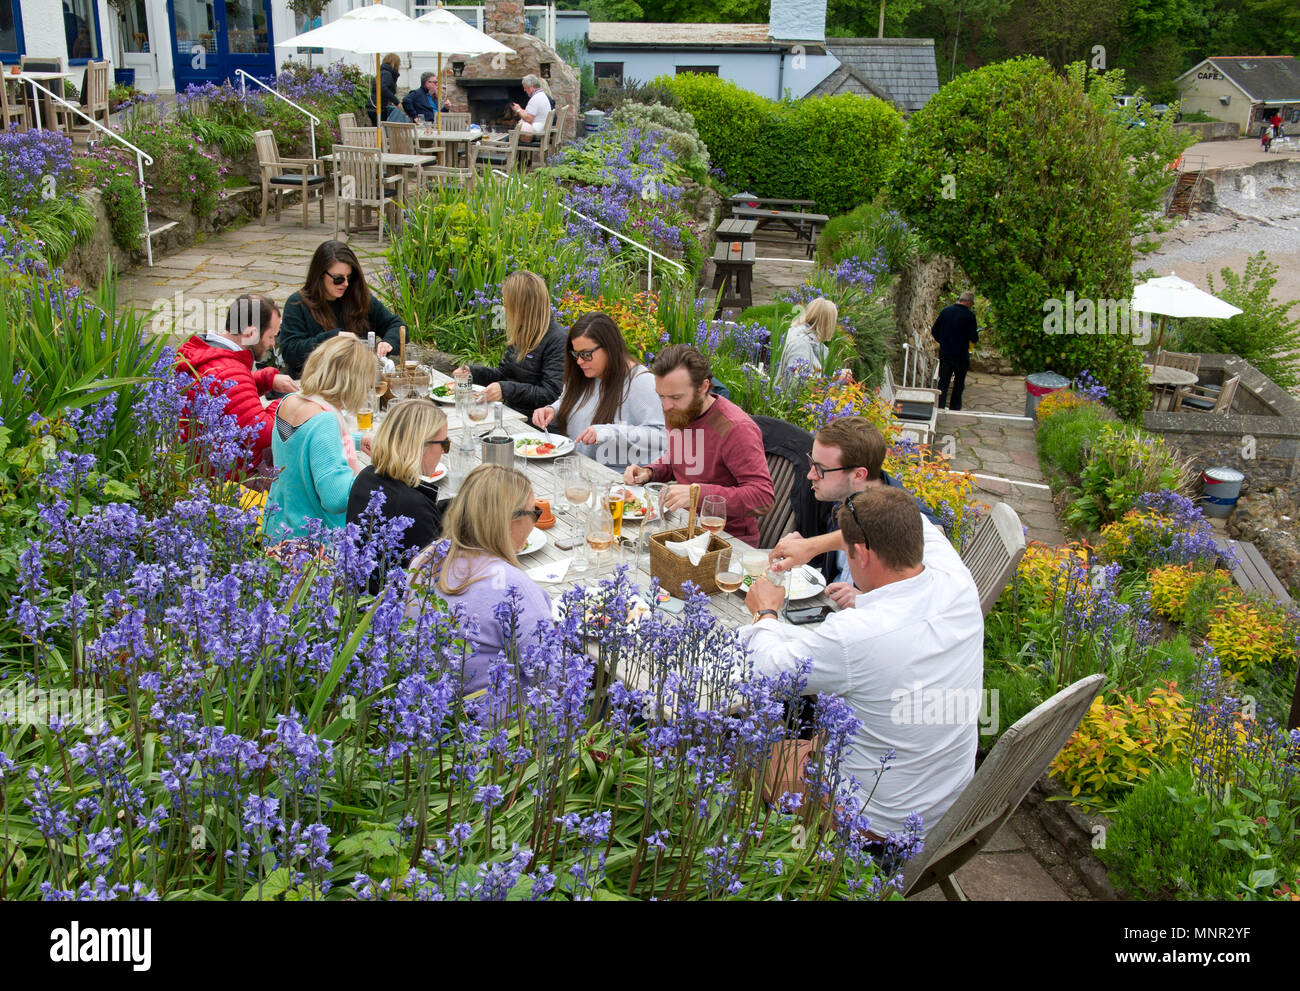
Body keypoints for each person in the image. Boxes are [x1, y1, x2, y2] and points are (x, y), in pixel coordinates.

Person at [742, 486, 984, 841]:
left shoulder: (857, 634)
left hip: (874, 823)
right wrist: (814, 545)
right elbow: (914, 519)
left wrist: (765, 611)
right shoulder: (957, 581)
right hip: (946, 802)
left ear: (862, 555)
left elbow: (767, 673)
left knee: (741, 747)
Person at [768, 415, 944, 608]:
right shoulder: (846, 498)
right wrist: (807, 548)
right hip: (827, 607)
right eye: (812, 463)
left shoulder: (908, 514)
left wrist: (867, 599)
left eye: (820, 469)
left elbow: (930, 587)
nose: (810, 475)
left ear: (859, 475)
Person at [410, 464, 553, 698]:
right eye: (534, 513)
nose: (535, 521)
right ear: (511, 519)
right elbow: (553, 678)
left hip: (431, 713)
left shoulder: (426, 559)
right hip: (500, 728)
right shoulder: (515, 588)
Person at [623, 344, 774, 546]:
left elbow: (762, 498)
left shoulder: (735, 428)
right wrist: (650, 471)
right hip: (681, 526)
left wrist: (698, 494)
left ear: (703, 387)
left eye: (676, 397)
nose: (666, 406)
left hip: (727, 541)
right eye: (661, 396)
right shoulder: (679, 411)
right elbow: (680, 458)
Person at [262, 335, 375, 541]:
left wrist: (356, 440)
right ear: (352, 383)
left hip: (278, 527)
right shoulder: (326, 421)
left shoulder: (289, 401)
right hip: (310, 546)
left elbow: (302, 441)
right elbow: (335, 498)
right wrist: (371, 476)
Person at [530, 312, 665, 470]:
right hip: (580, 469)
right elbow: (571, 400)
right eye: (576, 354)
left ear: (609, 347)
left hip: (620, 481)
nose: (580, 361)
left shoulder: (641, 382)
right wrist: (553, 410)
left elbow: (661, 436)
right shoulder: (585, 373)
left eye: (586, 354)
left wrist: (608, 431)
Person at [176, 294, 295, 474]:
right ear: (250, 333)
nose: (272, 344)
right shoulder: (232, 371)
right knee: (296, 441)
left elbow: (226, 393)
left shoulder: (207, 349)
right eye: (271, 337)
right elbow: (262, 433)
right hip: (231, 476)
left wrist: (265, 379)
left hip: (200, 458)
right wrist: (291, 402)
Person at [347, 398, 450, 578]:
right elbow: (435, 578)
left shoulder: (367, 476)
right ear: (421, 446)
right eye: (444, 443)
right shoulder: (413, 507)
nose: (443, 451)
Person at [278, 240, 405, 380]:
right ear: (320, 275)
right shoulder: (298, 304)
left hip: (357, 382)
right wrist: (333, 339)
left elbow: (398, 325)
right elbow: (291, 352)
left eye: (349, 277)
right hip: (315, 383)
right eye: (338, 279)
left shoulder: (358, 298)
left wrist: (388, 342)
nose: (345, 283)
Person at [455, 270, 566, 418]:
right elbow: (504, 375)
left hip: (538, 424)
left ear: (521, 307)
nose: (503, 309)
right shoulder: (522, 331)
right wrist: (472, 373)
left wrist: (506, 389)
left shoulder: (557, 340)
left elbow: (551, 394)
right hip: (512, 413)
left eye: (507, 304)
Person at [930, 290, 979, 411]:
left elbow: (934, 330)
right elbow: (974, 337)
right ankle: (955, 407)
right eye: (971, 304)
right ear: (968, 302)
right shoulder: (969, 316)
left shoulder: (946, 311)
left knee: (944, 382)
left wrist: (943, 342)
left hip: (946, 353)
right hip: (961, 355)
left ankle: (940, 406)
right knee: (959, 383)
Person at [777, 298, 843, 384]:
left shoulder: (800, 334)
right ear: (827, 323)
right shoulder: (800, 343)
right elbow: (798, 382)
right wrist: (836, 377)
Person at [511, 73, 553, 141]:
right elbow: (531, 115)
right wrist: (521, 109)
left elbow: (528, 119)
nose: (524, 90)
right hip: (541, 131)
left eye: (525, 87)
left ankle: (512, 151)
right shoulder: (542, 95)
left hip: (536, 134)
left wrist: (518, 110)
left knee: (509, 138)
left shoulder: (535, 98)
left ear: (531, 87)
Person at [366, 52, 405, 124]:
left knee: (380, 129)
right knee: (383, 130)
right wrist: (396, 101)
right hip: (378, 107)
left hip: (375, 106)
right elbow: (382, 88)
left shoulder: (382, 72)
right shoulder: (387, 73)